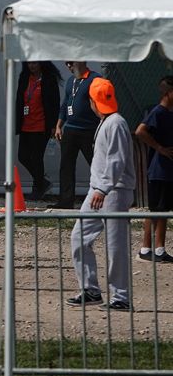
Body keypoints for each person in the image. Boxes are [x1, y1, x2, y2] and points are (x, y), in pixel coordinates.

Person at [68, 78, 134, 311]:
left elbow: (116, 160)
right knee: (79, 237)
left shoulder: (115, 123)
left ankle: (121, 297)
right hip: (99, 190)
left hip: (112, 191)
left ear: (93, 101)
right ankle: (91, 289)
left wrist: (103, 188)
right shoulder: (107, 121)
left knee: (115, 245)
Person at [55, 61, 103, 209]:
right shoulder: (71, 81)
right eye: (67, 64)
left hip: (88, 129)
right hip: (70, 129)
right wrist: (59, 125)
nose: (69, 67)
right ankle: (66, 200)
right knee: (66, 165)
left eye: (71, 63)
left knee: (95, 163)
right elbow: (65, 104)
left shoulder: (94, 79)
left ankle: (103, 194)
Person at [136, 75, 173, 263]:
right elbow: (140, 131)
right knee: (154, 209)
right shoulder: (158, 112)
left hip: (168, 170)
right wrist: (159, 148)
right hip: (158, 169)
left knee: (164, 209)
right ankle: (145, 248)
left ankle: (159, 248)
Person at [16, 61, 62, 201]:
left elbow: (55, 102)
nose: (32, 66)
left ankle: (38, 187)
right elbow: (19, 100)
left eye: (35, 63)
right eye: (29, 63)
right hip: (26, 124)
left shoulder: (48, 79)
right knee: (22, 156)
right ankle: (42, 182)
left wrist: (54, 125)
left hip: (41, 125)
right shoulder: (24, 78)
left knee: (36, 158)